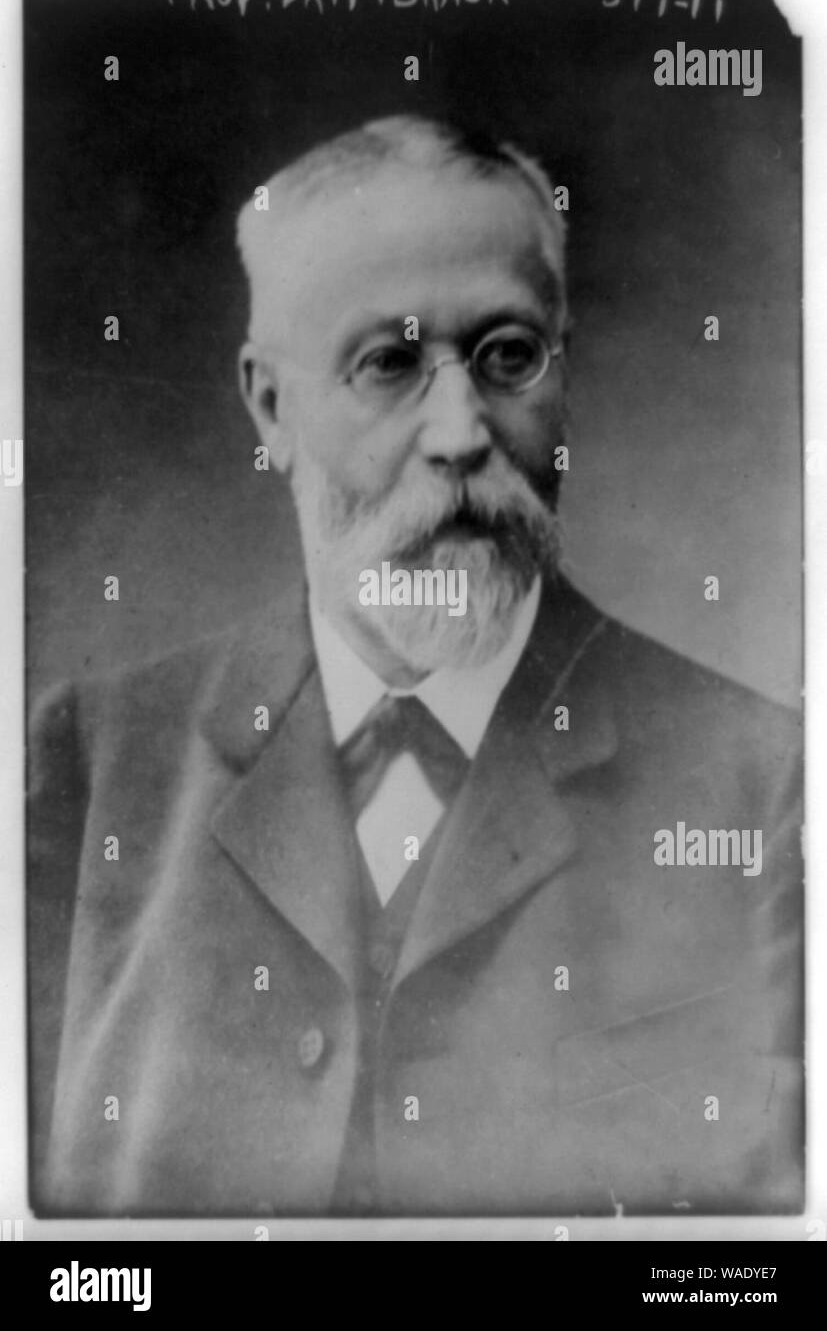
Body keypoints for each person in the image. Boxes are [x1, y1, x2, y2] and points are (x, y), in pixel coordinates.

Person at [28, 116, 803, 1217]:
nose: (458, 431)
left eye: (507, 356)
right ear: (270, 405)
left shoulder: (766, 788)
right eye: (388, 362)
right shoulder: (92, 764)